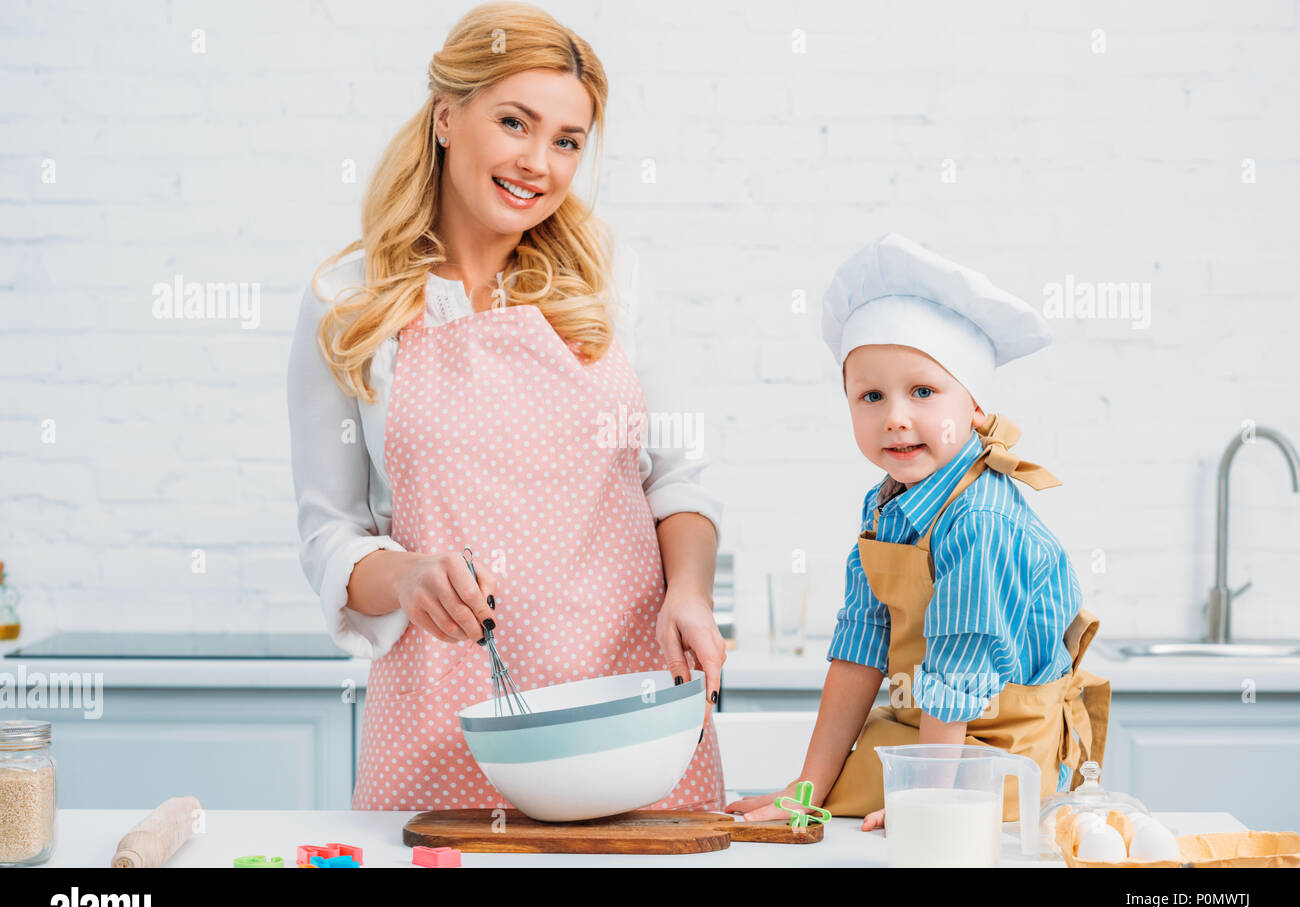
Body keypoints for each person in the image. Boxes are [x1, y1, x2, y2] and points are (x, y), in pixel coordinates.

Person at [288, 2, 726, 812]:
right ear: (447, 115)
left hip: (631, 715)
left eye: (566, 141)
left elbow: (679, 479)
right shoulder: (349, 306)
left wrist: (689, 593)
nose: (538, 162)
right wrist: (410, 575)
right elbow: (330, 534)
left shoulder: (610, 281)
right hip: (439, 720)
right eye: (515, 122)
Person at [727, 232, 1110, 829]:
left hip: (1001, 753)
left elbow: (956, 677)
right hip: (924, 736)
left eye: (923, 391)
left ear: (976, 408)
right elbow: (859, 652)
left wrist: (926, 806)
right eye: (871, 395)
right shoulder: (883, 508)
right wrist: (803, 793)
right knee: (827, 818)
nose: (895, 417)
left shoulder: (979, 520)